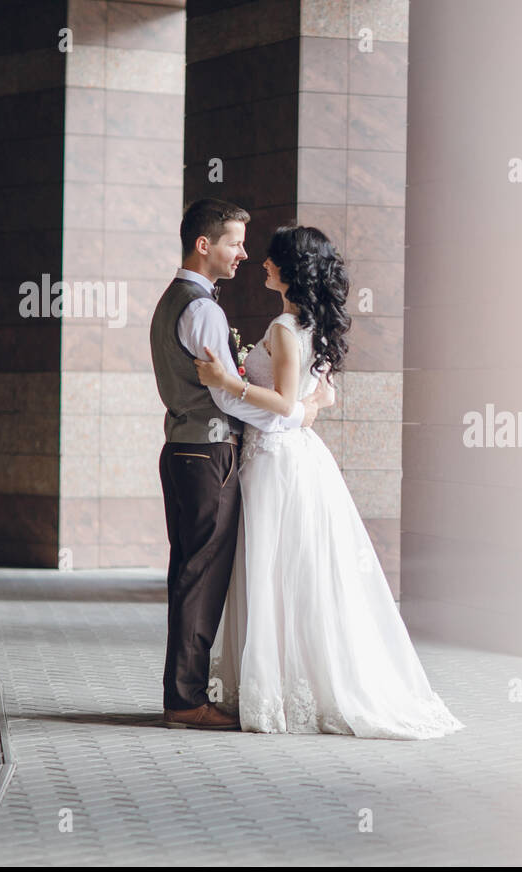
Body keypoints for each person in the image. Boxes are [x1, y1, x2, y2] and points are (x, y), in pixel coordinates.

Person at [194, 223, 464, 739]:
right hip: (299, 458)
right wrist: (308, 407)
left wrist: (229, 382)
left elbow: (282, 402)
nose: (262, 263)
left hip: (274, 461)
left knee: (273, 567)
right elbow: (323, 398)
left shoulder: (282, 328)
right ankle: (303, 680)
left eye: (271, 259)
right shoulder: (313, 325)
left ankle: (275, 688)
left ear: (291, 270)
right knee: (302, 569)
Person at [150, 199, 334, 730]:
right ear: (204, 245)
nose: (244, 254)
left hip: (184, 448)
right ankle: (185, 701)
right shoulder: (203, 308)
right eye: (235, 242)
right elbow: (229, 400)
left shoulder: (175, 300)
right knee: (200, 576)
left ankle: (183, 695)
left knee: (191, 572)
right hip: (207, 452)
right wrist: (300, 411)